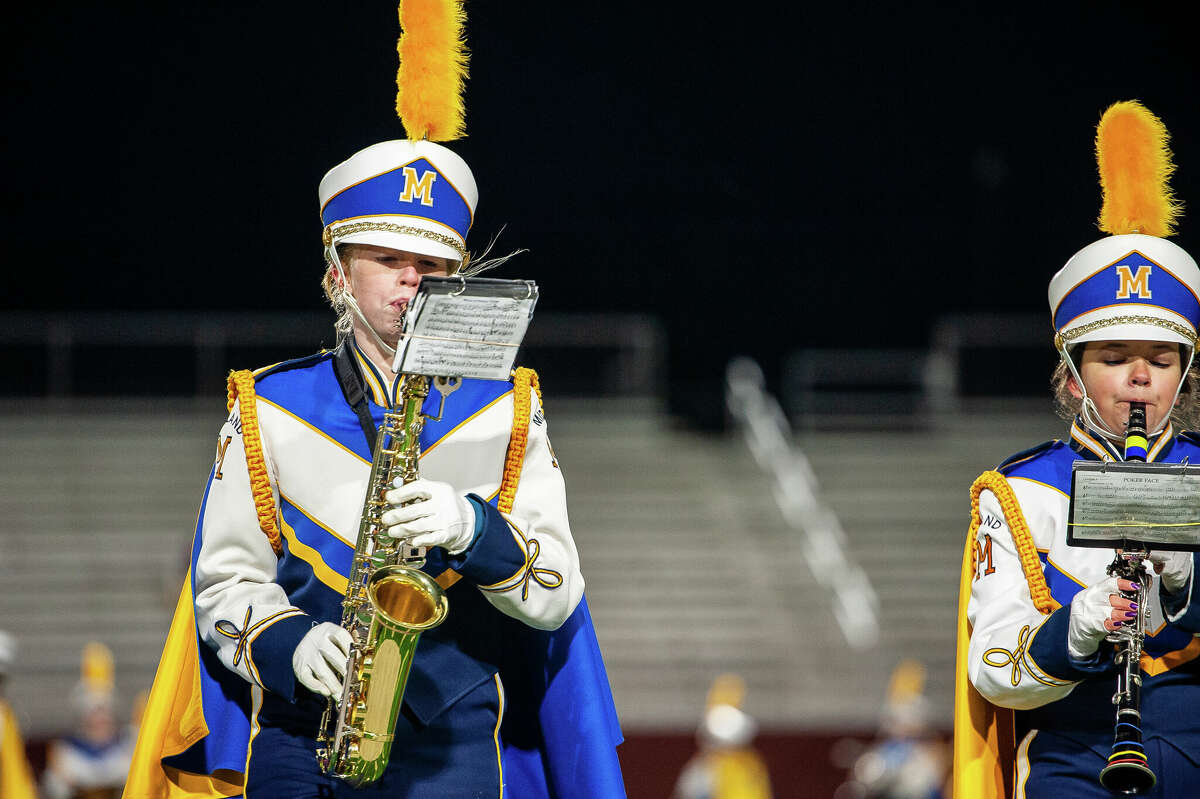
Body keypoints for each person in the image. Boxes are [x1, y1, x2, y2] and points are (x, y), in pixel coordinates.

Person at [124, 4, 624, 795]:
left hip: (458, 748)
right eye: (388, 257)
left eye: (430, 263)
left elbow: (557, 593)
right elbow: (223, 582)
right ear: (337, 273)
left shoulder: (507, 406)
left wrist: (477, 528)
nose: (410, 280)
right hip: (297, 734)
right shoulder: (269, 408)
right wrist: (286, 642)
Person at [953, 100, 1200, 798]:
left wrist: (1186, 583)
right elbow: (993, 666)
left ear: (1186, 372)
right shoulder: (1019, 490)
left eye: (1161, 355)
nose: (1141, 375)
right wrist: (1078, 627)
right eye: (1115, 356)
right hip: (1078, 761)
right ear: (1070, 374)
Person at [42, 642, 134, 799]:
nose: (100, 720)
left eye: (104, 712)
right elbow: (56, 788)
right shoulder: (66, 752)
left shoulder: (128, 747)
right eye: (95, 713)